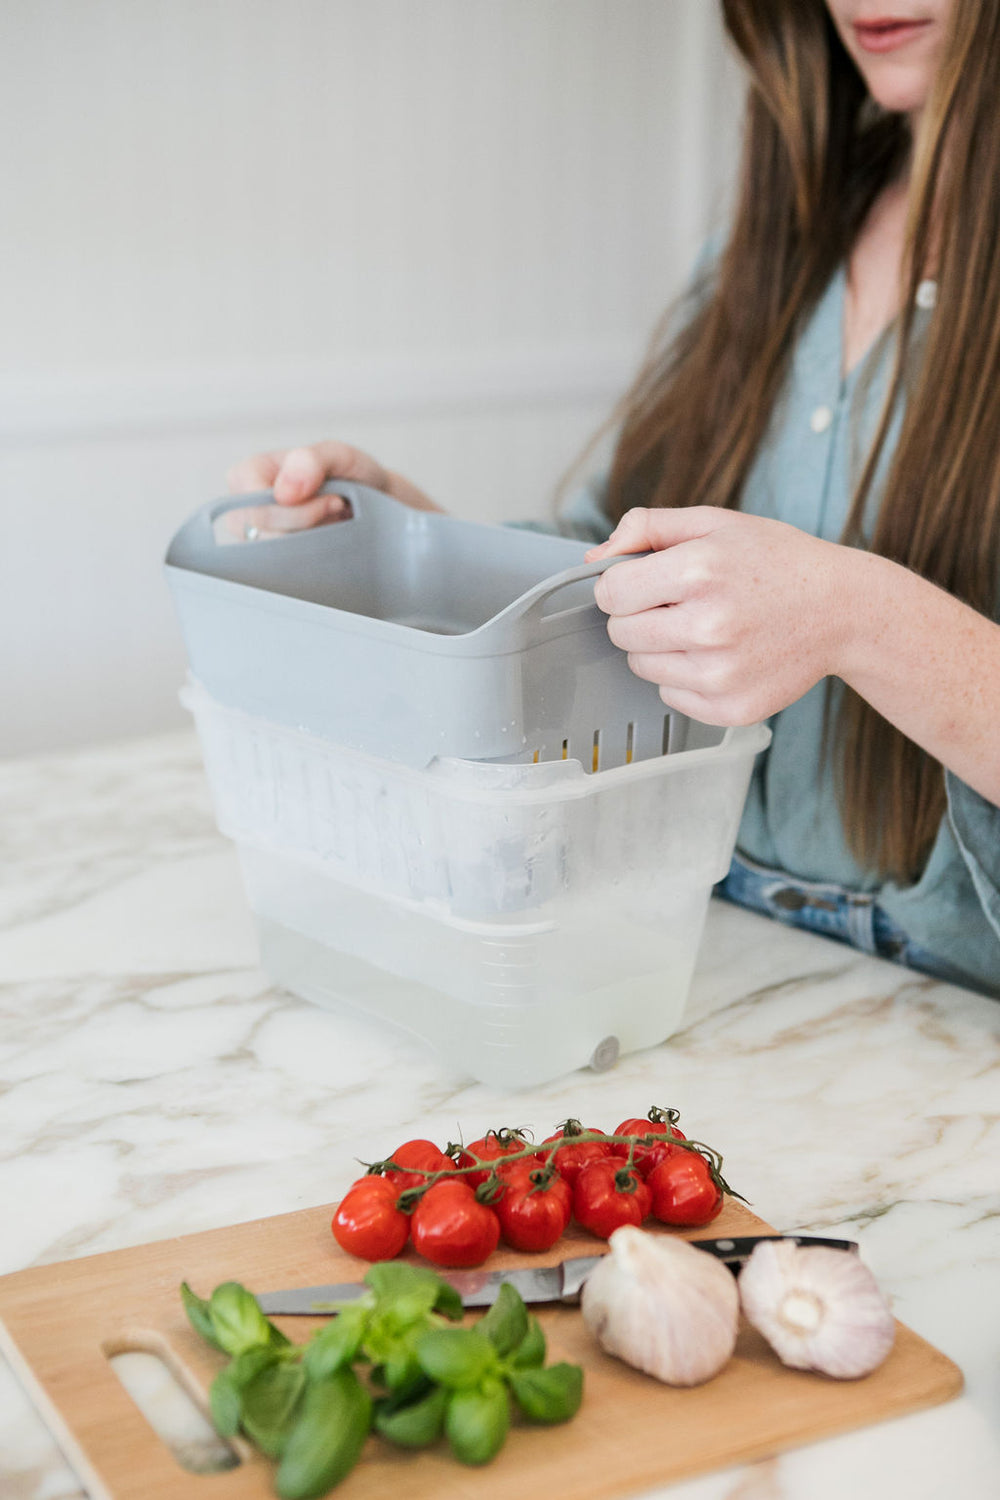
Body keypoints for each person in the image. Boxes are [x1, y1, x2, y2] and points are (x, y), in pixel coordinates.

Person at [223, 0, 1000, 998]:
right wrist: (402, 536)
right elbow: (616, 560)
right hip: (704, 943)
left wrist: (859, 618)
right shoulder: (777, 237)